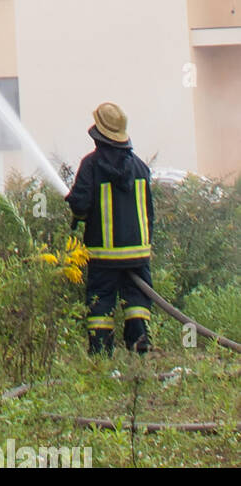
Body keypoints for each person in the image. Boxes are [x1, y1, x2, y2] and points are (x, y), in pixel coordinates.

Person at [64, 102, 155, 355]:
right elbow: (149, 212)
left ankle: (101, 354)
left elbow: (80, 206)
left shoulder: (91, 166)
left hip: (103, 257)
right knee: (137, 300)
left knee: (101, 303)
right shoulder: (140, 167)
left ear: (99, 135)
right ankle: (140, 346)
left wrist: (76, 208)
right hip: (137, 254)